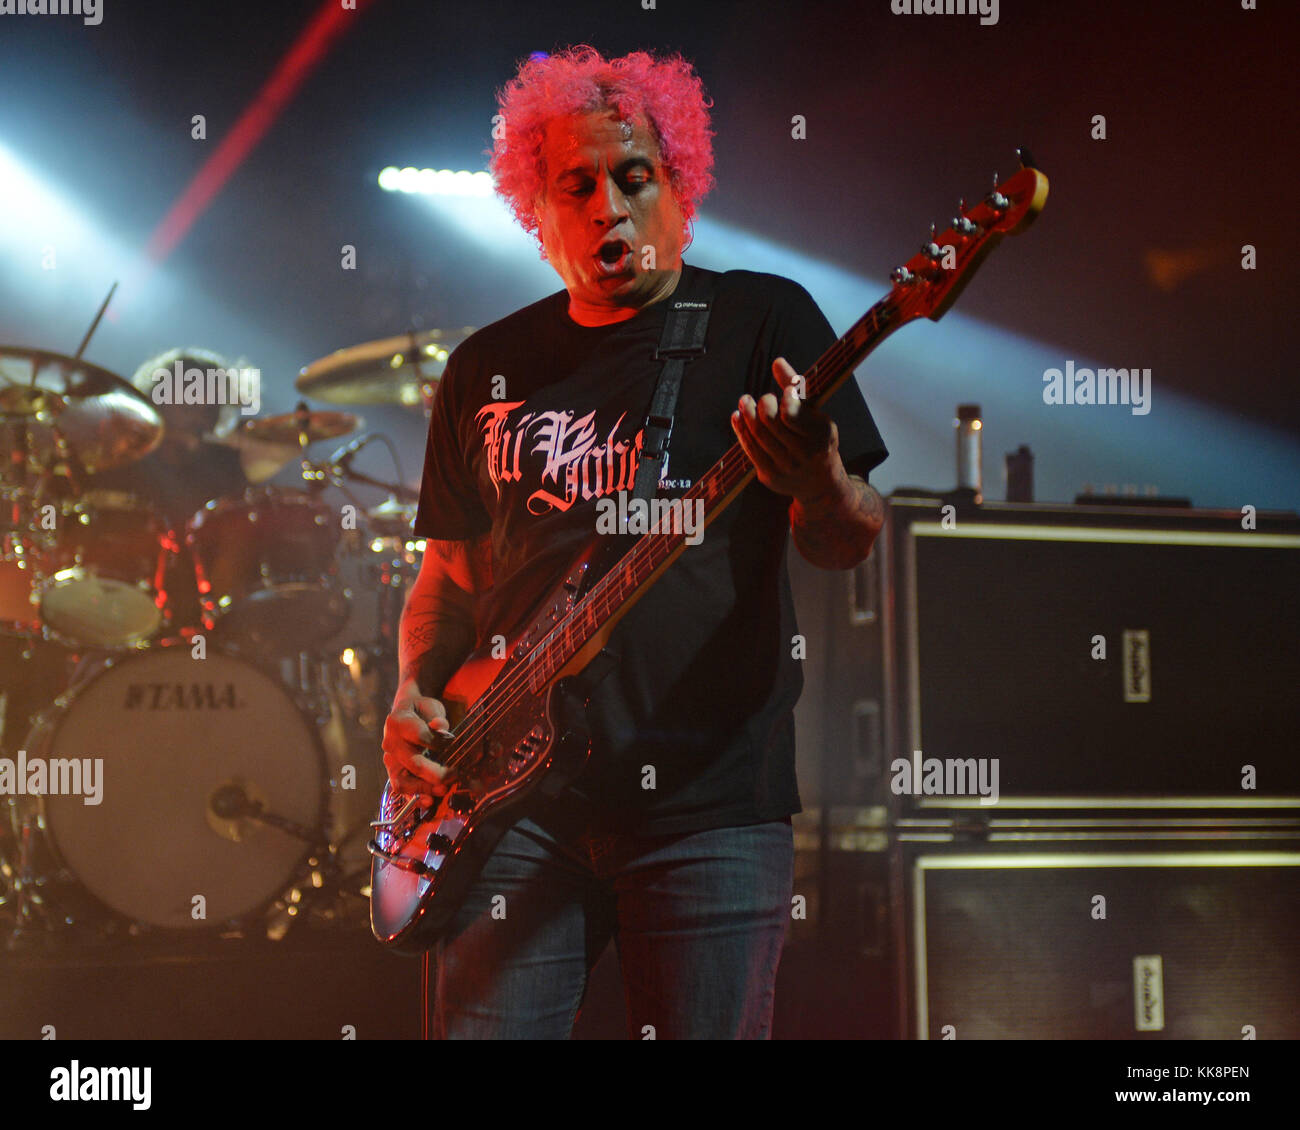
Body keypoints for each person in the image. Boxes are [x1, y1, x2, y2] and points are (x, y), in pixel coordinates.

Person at [381, 45, 888, 1039]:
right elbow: (447, 574)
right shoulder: (486, 365)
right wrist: (406, 694)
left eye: (633, 175)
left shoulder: (761, 318)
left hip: (705, 801)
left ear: (678, 183)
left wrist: (814, 478)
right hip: (505, 806)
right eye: (576, 184)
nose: (607, 205)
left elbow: (849, 534)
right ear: (539, 208)